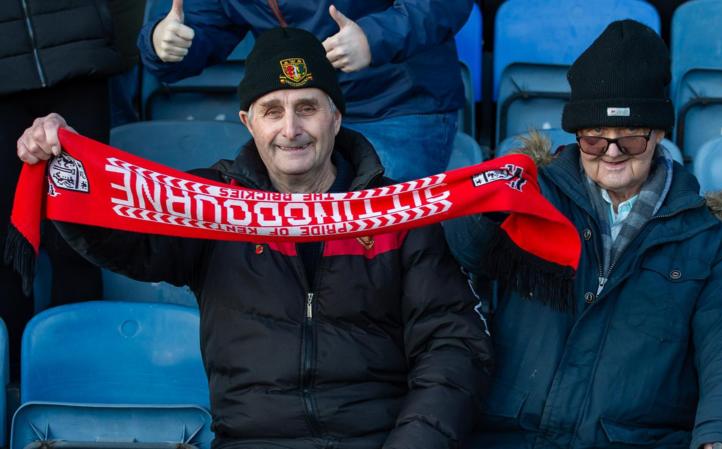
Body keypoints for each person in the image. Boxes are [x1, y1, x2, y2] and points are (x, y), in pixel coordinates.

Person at [17, 28, 492, 449]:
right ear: (248, 122)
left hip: (378, 437)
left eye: (308, 107)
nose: (291, 130)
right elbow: (120, 240)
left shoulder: (396, 212)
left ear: (336, 118)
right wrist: (65, 164)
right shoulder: (210, 205)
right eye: (272, 111)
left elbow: (453, 346)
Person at [443, 20, 722, 449]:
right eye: (595, 139)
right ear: (576, 135)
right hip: (512, 435)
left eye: (629, 139)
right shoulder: (528, 194)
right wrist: (485, 210)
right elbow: (456, 258)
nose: (611, 153)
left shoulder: (710, 239)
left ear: (659, 134)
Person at [138, 0, 472, 182]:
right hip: (303, 114)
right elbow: (201, 26)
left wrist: (374, 38)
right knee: (297, 256)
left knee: (385, 249)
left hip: (395, 105)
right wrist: (161, 43)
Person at [0, 0, 132, 380]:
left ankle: (82, 377)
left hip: (79, 60)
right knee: (6, 246)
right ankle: (11, 387)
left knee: (81, 239)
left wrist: (115, 44)